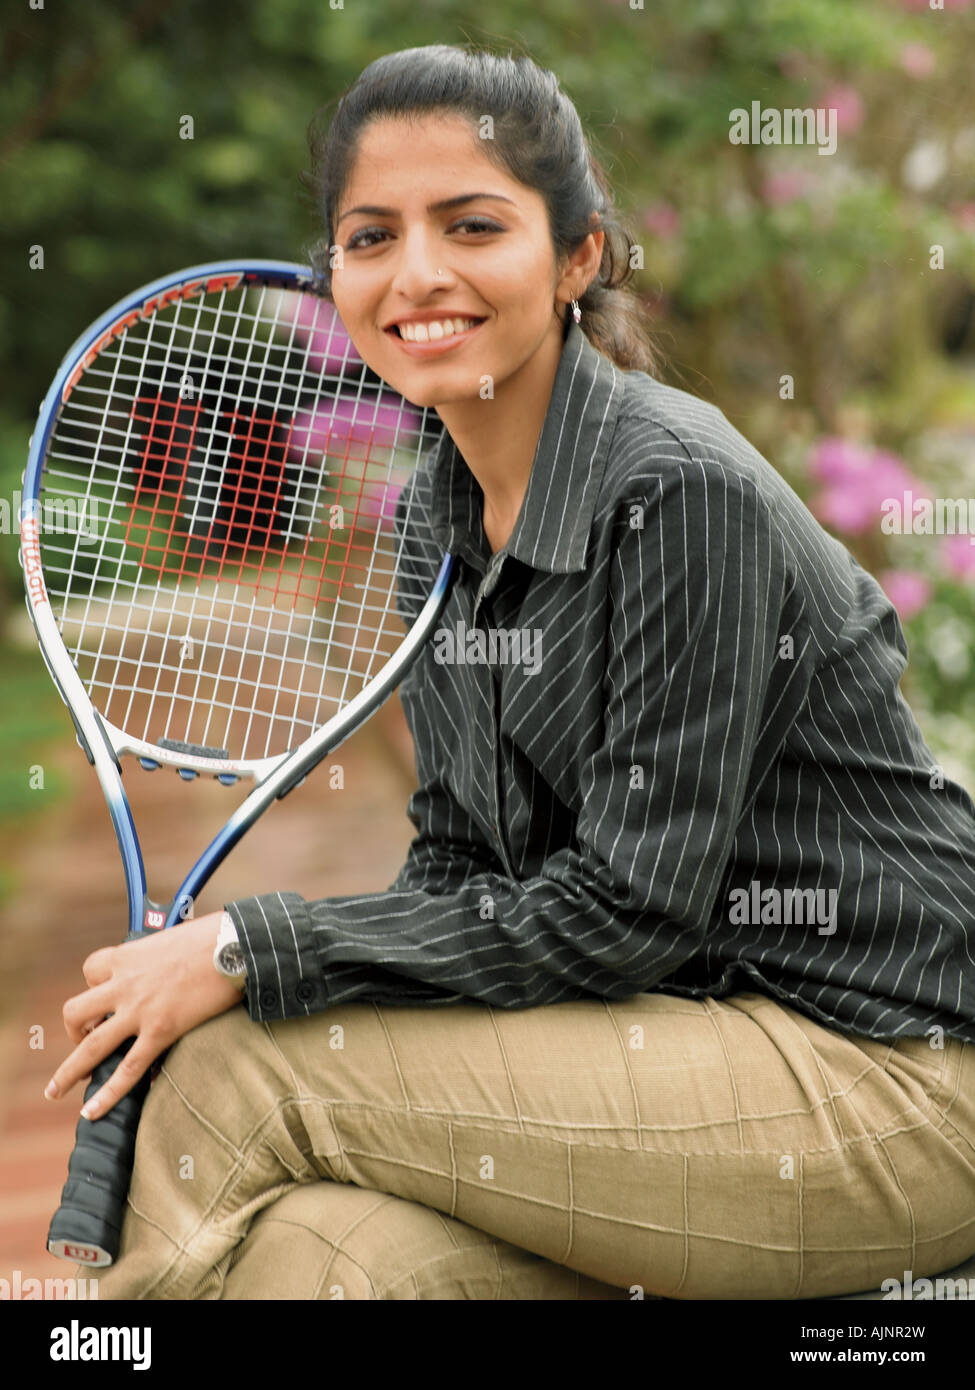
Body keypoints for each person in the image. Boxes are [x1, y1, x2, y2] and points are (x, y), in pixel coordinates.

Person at [48, 43, 975, 1301]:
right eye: (370, 236)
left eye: (471, 225)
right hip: (678, 1049)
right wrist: (255, 961)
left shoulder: (674, 489)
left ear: (579, 256)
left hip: (891, 1073)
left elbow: (627, 909)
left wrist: (247, 949)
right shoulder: (439, 512)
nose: (417, 273)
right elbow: (459, 863)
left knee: (241, 1068)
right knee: (320, 1259)